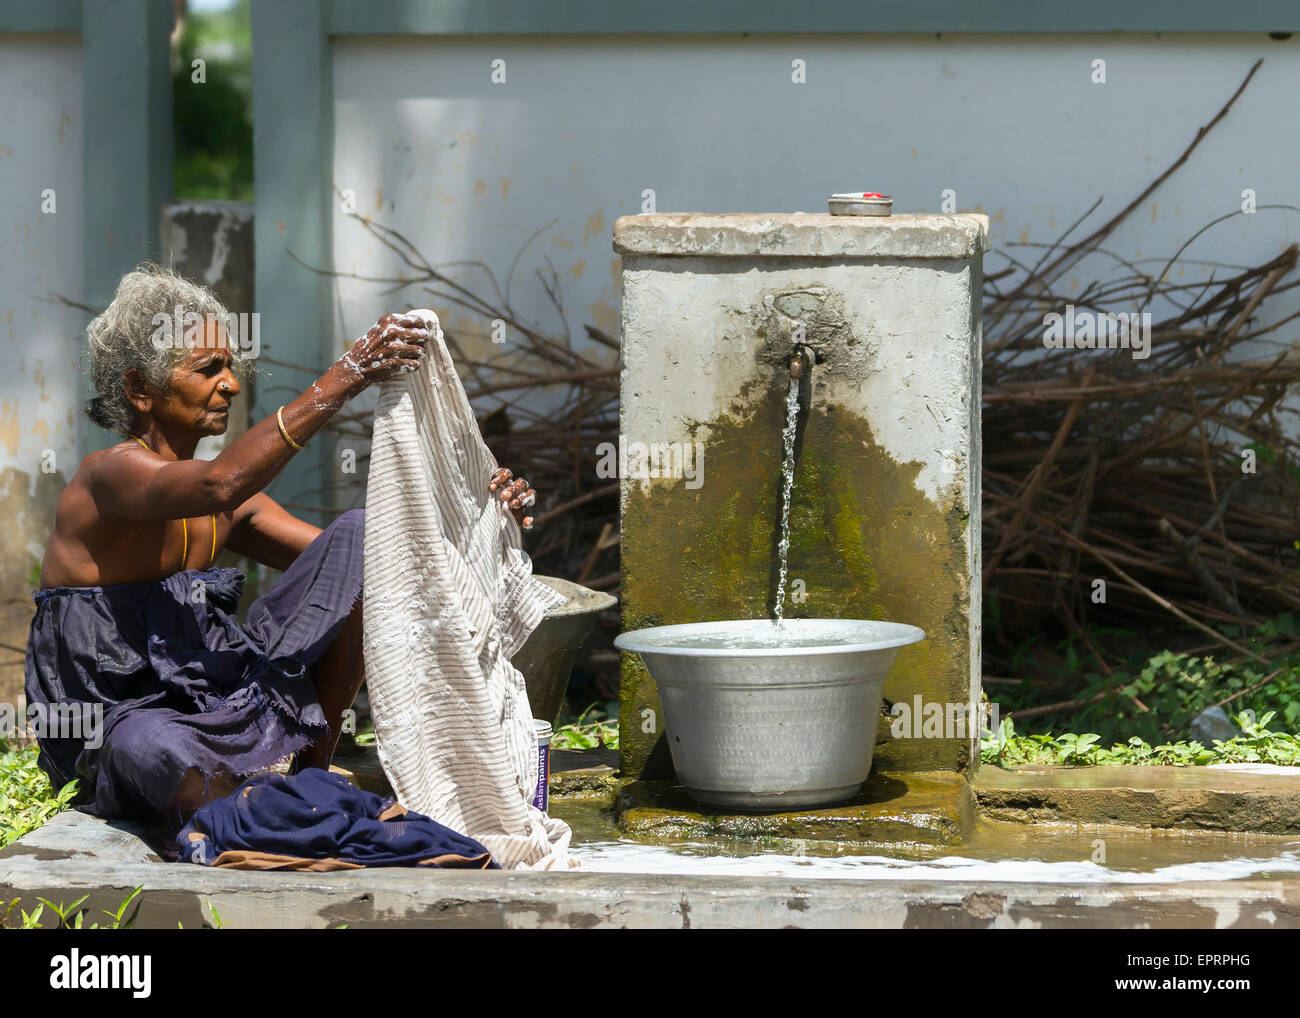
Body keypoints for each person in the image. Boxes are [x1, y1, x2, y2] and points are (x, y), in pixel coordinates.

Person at [24, 264, 539, 826]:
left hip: (206, 708)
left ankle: (310, 775)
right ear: (138, 390)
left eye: (230, 366)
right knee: (149, 745)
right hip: (113, 729)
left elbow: (381, 565)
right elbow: (221, 480)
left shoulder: (225, 507)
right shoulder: (109, 475)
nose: (232, 383)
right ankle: (259, 808)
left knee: (363, 539)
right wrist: (348, 374)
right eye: (207, 369)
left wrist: (483, 516)